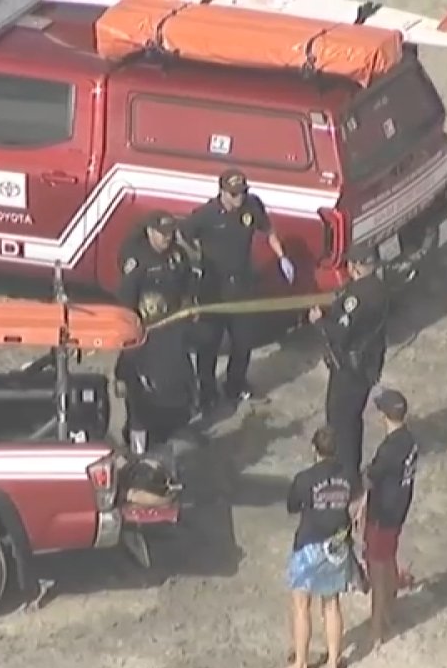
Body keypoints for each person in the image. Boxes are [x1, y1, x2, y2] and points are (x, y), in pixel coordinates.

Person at [179, 168, 296, 411]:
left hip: (242, 285)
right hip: (213, 288)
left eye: (241, 193)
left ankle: (236, 384)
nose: (238, 199)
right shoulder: (207, 214)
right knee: (209, 343)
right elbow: (183, 234)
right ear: (222, 191)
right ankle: (207, 391)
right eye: (233, 194)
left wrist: (282, 256)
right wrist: (196, 259)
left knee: (243, 341)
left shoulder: (252, 206)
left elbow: (268, 229)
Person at [114, 212, 198, 453]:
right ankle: (136, 444)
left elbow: (187, 283)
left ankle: (168, 430)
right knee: (138, 391)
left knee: (174, 382)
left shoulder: (177, 256)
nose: (166, 239)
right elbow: (126, 301)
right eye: (162, 234)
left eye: (170, 234)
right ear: (150, 232)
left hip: (171, 331)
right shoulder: (137, 260)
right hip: (143, 333)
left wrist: (190, 304)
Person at [307, 244, 389, 484]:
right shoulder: (378, 288)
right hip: (366, 365)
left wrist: (319, 322)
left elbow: (342, 333)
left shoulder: (358, 296)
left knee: (340, 421)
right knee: (352, 420)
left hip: (350, 369)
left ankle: (344, 474)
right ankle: (349, 468)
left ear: (354, 266)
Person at [285, 426, 362, 668]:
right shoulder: (349, 475)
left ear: (314, 449)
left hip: (309, 543)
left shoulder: (304, 478)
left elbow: (292, 506)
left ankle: (300, 664)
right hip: (337, 545)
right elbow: (355, 498)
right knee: (331, 604)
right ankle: (332, 663)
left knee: (301, 605)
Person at [360, 388, 418, 649]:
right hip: (398, 511)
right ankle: (390, 613)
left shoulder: (389, 449)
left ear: (384, 415)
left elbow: (370, 477)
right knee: (389, 560)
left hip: (382, 515)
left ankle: (376, 629)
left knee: (377, 569)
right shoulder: (410, 442)